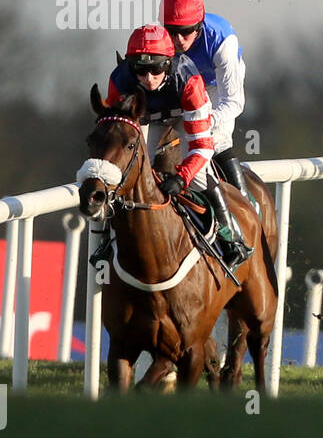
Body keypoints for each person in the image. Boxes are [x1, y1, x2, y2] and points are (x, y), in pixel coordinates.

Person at [105, 24, 252, 268]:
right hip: (147, 117)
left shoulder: (190, 82)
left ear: (168, 63)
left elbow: (203, 147)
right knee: (129, 172)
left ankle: (231, 236)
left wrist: (182, 178)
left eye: (156, 69)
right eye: (140, 70)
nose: (148, 78)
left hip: (185, 114)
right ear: (130, 67)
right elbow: (114, 139)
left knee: (198, 178)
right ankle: (107, 237)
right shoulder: (119, 82)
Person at [161, 0, 249, 194]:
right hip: (187, 85)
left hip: (216, 85)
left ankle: (244, 202)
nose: (178, 40)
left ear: (199, 27)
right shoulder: (160, 39)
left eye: (185, 32)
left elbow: (234, 102)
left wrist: (206, 121)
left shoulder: (222, 41)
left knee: (216, 139)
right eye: (171, 31)